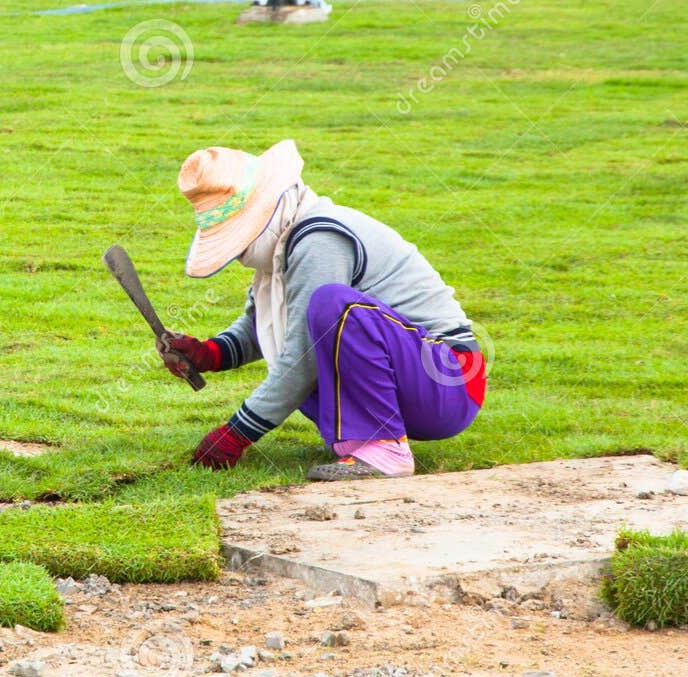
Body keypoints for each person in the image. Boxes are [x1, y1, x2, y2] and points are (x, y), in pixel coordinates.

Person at [157, 141, 486, 480]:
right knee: (317, 322)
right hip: (422, 380)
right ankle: (367, 439)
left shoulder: (317, 241)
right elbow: (270, 328)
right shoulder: (286, 242)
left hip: (451, 380)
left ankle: (385, 448)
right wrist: (209, 353)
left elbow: (303, 354)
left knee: (331, 306)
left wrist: (237, 433)